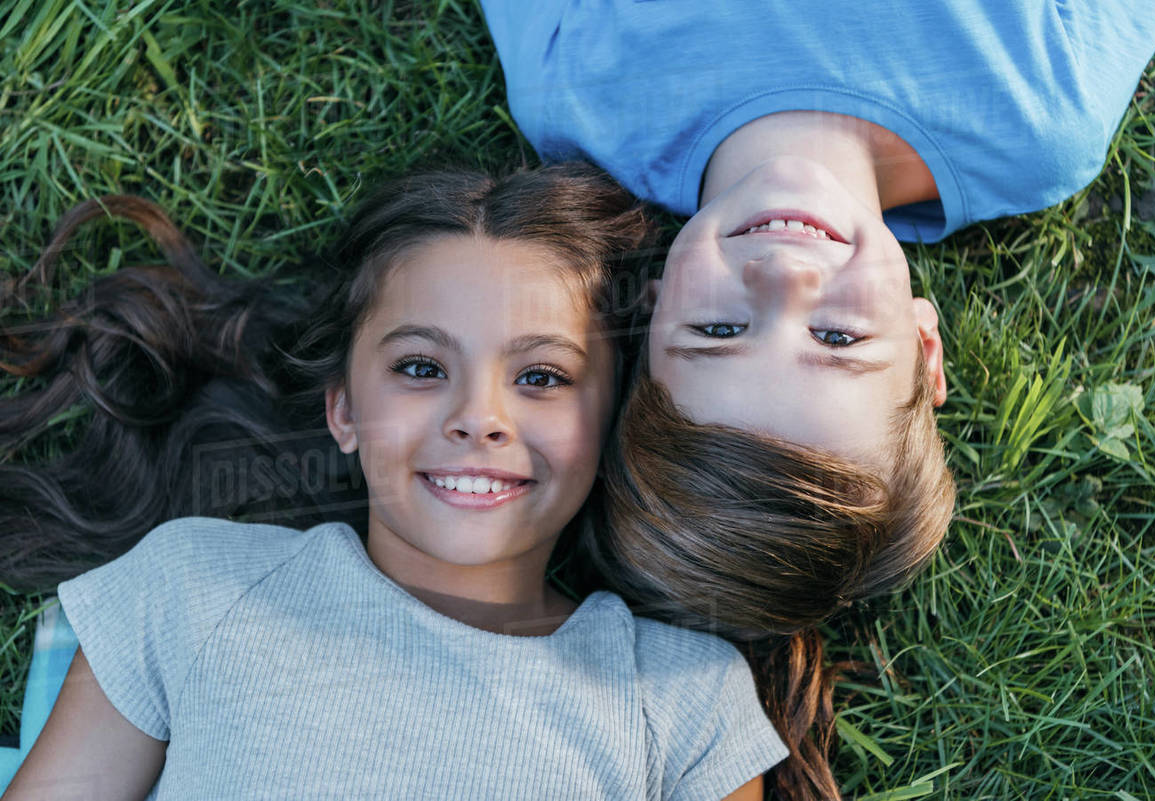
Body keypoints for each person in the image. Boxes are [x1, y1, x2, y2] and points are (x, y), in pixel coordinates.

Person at [478, 2, 1155, 798]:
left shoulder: (584, 99)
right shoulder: (1037, 114)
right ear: (926, 346)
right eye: (839, 340)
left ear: (648, 311)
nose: (784, 275)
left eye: (718, 327)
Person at [0, 164, 786, 800]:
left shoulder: (682, 703)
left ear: (610, 418)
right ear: (342, 408)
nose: (479, 417)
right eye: (420, 366)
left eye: (542, 375)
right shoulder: (191, 588)